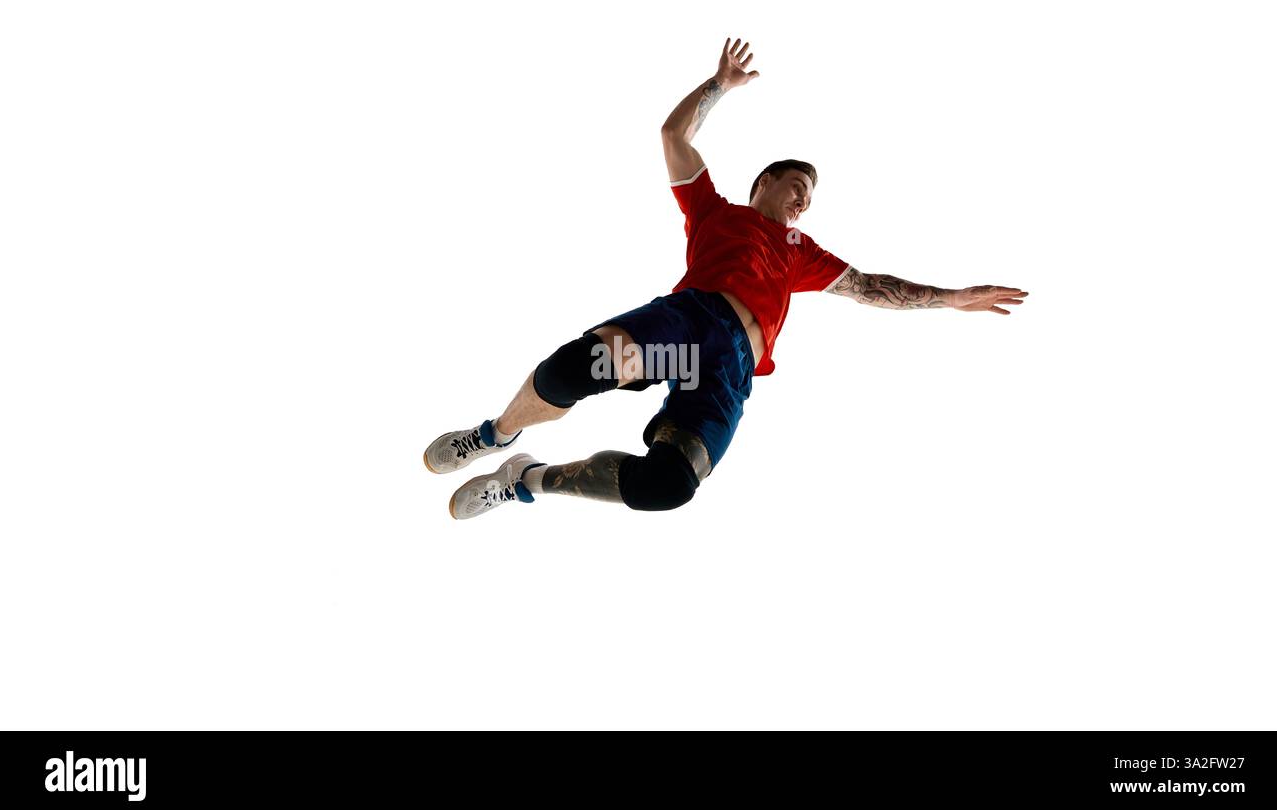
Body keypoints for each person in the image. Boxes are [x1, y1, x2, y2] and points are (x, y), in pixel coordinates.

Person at [424, 37, 1029, 519]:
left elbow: (871, 286)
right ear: (764, 181)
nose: (804, 201)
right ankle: (494, 434)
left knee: (667, 485)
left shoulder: (801, 251)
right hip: (688, 329)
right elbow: (673, 136)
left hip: (729, 369)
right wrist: (719, 86)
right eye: (799, 186)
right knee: (571, 370)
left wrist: (952, 298)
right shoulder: (717, 211)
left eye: (811, 197)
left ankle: (524, 480)